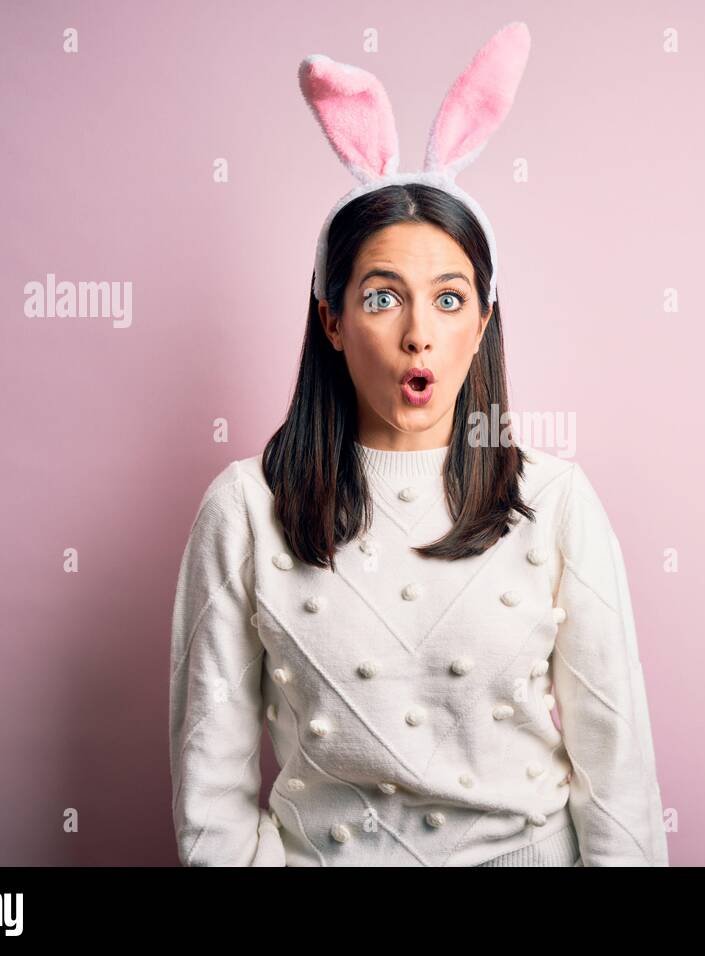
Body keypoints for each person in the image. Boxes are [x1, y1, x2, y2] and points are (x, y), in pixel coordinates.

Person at [168, 22, 668, 867]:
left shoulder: (555, 503)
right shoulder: (244, 508)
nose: (416, 335)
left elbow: (619, 781)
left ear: (482, 323)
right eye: (381, 297)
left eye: (447, 299)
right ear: (331, 319)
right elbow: (209, 797)